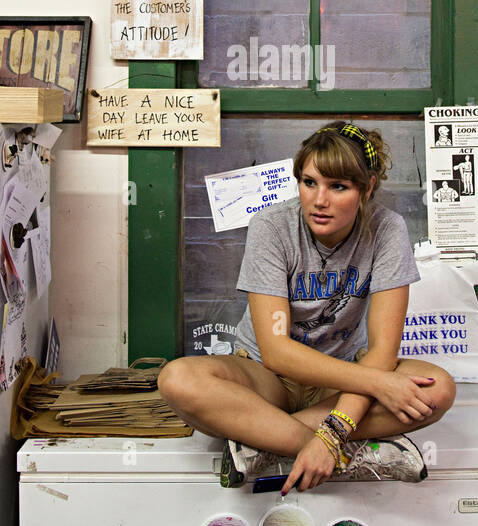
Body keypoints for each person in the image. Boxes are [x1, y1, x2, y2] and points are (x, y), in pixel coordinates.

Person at [159, 121, 455, 493]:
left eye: (339, 187)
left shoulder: (386, 229)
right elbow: (277, 351)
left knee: (437, 389)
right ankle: (337, 454)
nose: (319, 200)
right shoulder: (272, 226)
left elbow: (382, 351)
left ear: (367, 189)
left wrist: (338, 421)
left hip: (344, 378)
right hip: (268, 379)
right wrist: (340, 427)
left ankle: (263, 439)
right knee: (178, 379)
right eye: (309, 182)